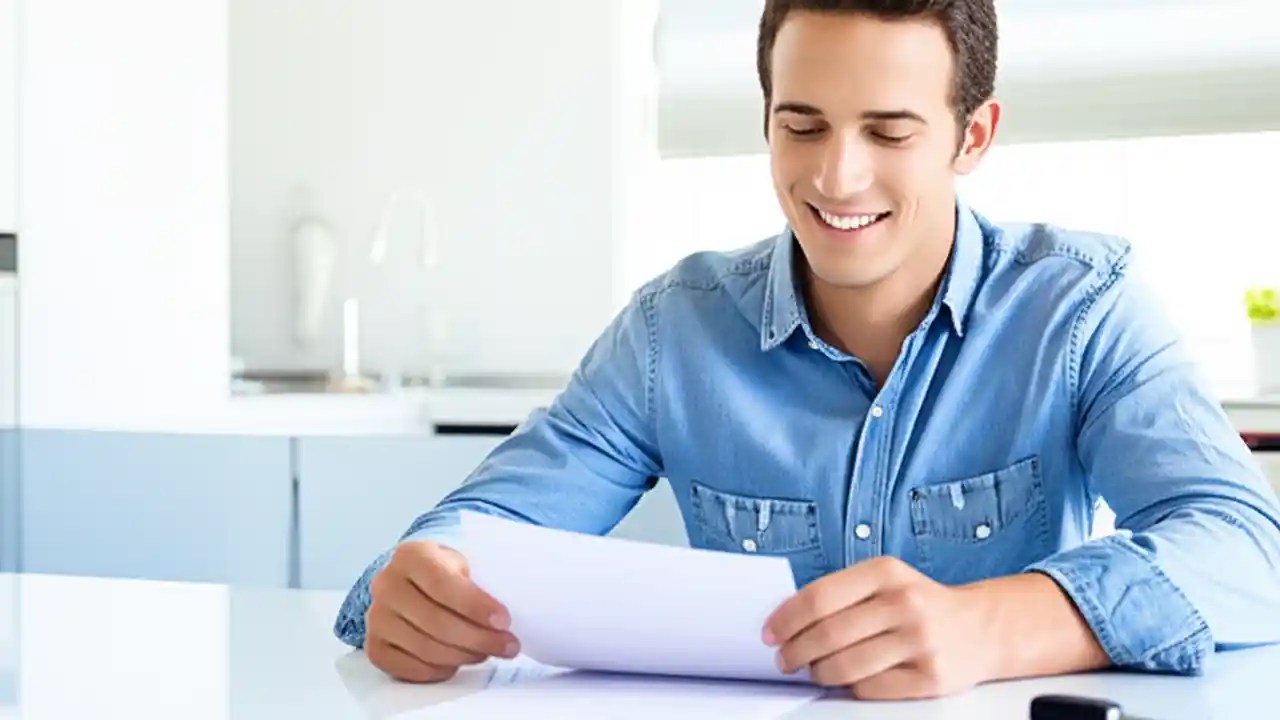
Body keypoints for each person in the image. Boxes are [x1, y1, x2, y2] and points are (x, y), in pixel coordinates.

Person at [333, 0, 1280, 700]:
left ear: (972, 136)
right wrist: (417, 586)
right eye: (803, 125)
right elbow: (473, 532)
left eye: (888, 130)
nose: (836, 174)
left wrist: (990, 624)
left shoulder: (1082, 309)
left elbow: (1247, 551)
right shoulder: (675, 332)